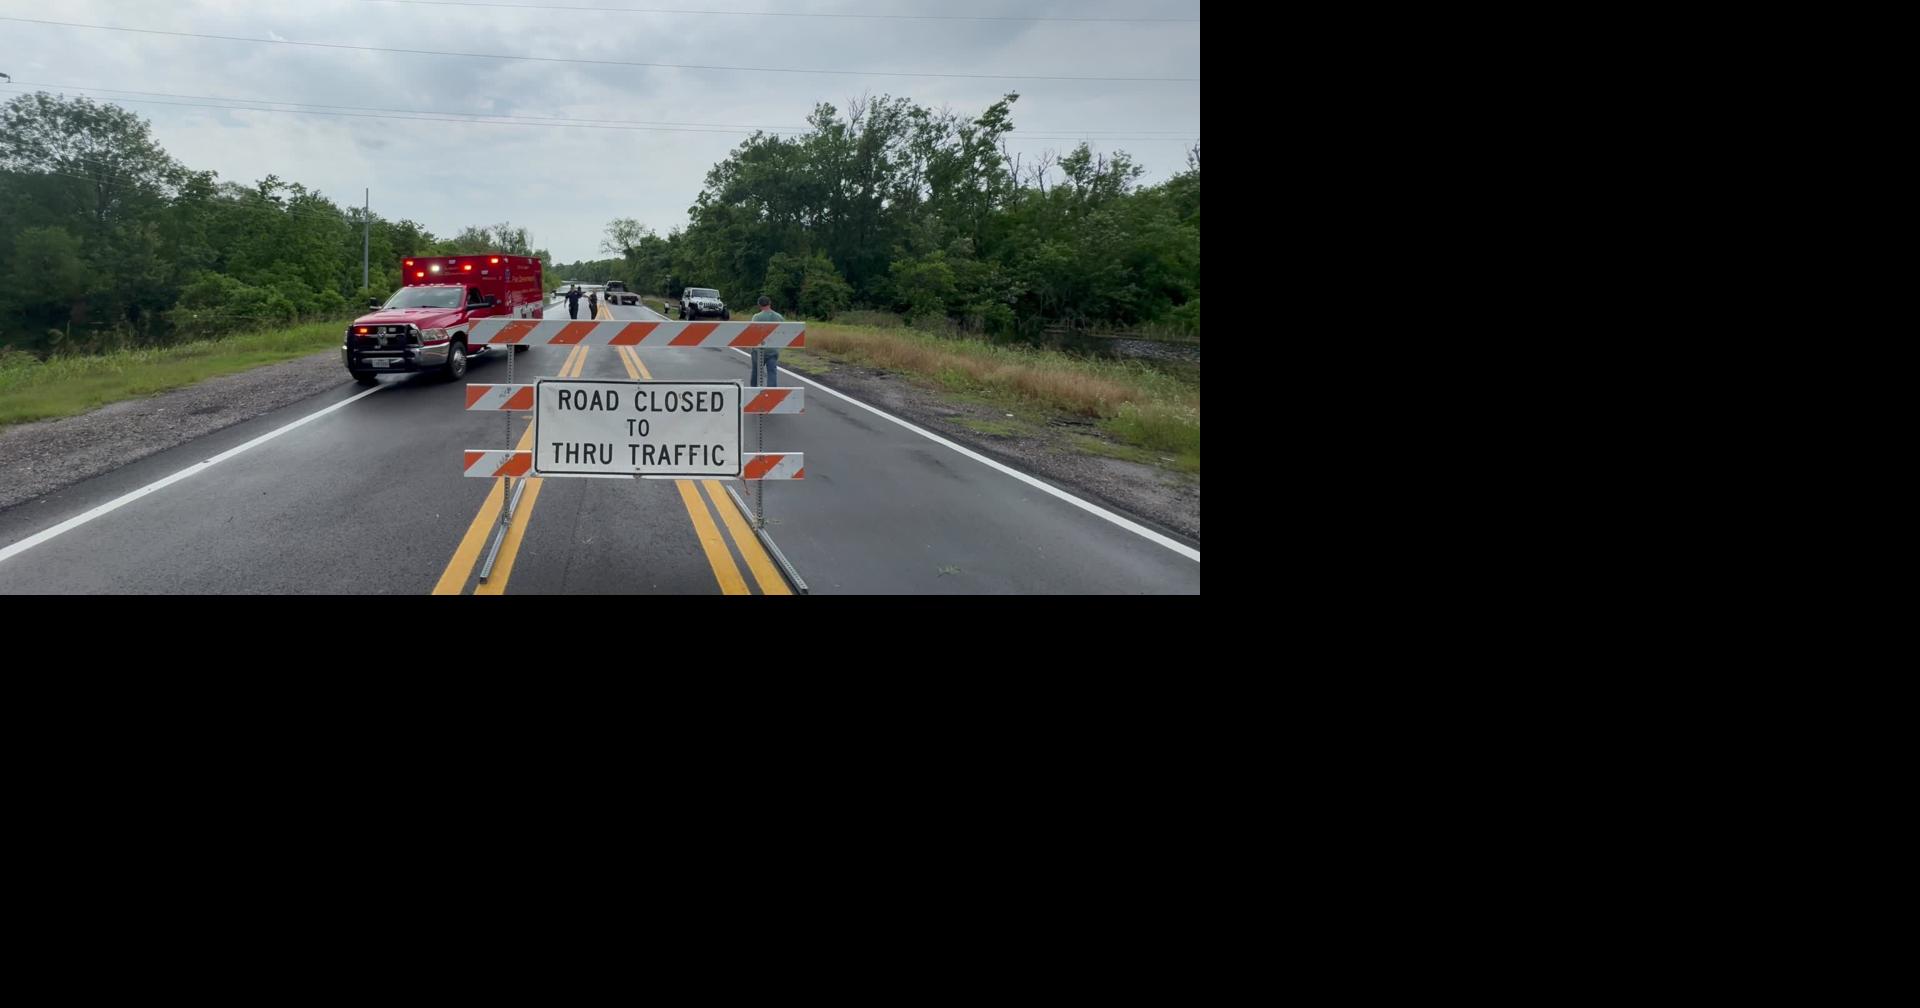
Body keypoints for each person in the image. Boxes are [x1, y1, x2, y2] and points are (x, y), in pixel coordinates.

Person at [749, 294, 784, 387]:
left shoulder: (756, 317)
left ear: (759, 305)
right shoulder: (779, 317)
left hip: (758, 350)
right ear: (770, 303)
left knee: (756, 372)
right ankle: (771, 393)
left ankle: (753, 391)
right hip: (772, 349)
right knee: (772, 372)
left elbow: (752, 333)